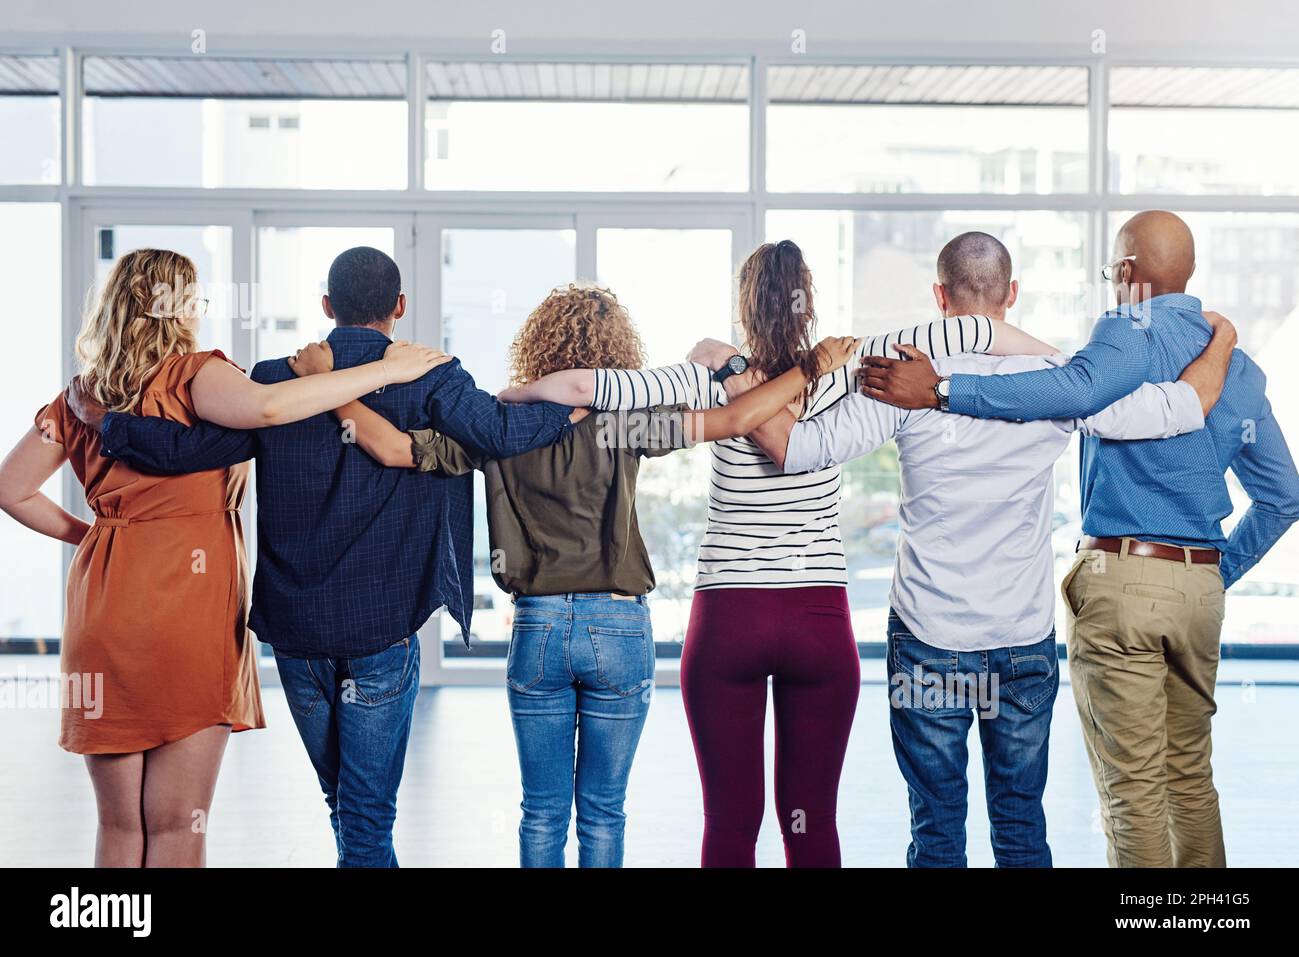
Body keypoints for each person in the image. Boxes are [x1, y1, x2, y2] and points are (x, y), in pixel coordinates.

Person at [491, 239, 1059, 867]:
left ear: (742, 305)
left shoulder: (704, 375)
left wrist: (512, 397)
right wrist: (1058, 357)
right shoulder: (848, 368)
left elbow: (580, 386)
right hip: (817, 621)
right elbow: (977, 333)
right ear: (807, 303)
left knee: (731, 822)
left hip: (728, 619)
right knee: (810, 820)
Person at [287, 283, 859, 867]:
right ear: (617, 349)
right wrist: (802, 371)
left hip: (538, 628)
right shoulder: (627, 422)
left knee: (541, 811)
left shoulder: (496, 423)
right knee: (605, 812)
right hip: (618, 626)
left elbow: (389, 449)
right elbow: (739, 419)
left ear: (537, 344)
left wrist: (328, 392)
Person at [64, 246, 576, 868]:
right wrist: (587, 399)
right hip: (382, 629)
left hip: (300, 635)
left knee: (346, 806)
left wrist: (105, 421)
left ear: (327, 307)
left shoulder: (276, 378)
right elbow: (502, 433)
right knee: (363, 817)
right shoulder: (431, 375)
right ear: (400, 307)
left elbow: (181, 451)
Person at [741, 231, 1237, 867]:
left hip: (929, 636)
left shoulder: (902, 380)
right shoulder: (1060, 383)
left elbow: (797, 449)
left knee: (937, 829)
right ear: (1013, 294)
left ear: (940, 296)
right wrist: (1222, 339)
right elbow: (1181, 406)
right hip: (1020, 639)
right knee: (1021, 825)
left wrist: (741, 380)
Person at [859, 212, 1299, 868]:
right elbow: (1283, 496)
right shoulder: (1237, 367)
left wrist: (944, 390)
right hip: (1199, 588)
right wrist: (1212, 571)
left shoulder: (1123, 334)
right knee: (1189, 776)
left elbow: (1072, 389)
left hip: (1122, 580)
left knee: (1134, 791)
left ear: (1126, 275)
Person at [0, 248, 442, 867]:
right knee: (179, 826)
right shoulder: (199, 375)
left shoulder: (79, 398)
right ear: (178, 308)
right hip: (187, 614)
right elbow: (269, 408)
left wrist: (96, 535)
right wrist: (385, 374)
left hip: (102, 609)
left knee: (121, 828)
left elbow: (10, 488)